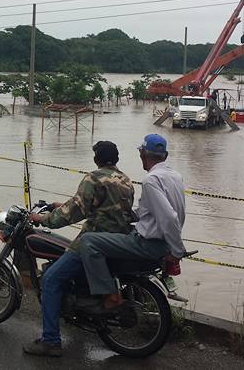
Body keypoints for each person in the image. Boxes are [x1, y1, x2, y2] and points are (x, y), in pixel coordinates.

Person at [22, 141, 136, 358]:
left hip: (93, 241)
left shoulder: (93, 178)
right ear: (116, 159)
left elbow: (72, 213)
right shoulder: (126, 181)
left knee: (50, 280)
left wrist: (42, 219)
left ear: (96, 159)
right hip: (119, 241)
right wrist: (60, 204)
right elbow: (97, 206)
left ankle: (51, 341)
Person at [77, 134, 186, 312]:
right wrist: (119, 213)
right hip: (161, 241)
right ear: (165, 156)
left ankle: (110, 295)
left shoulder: (150, 180)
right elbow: (147, 213)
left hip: (149, 244)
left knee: (88, 241)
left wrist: (177, 251)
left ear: (143, 154)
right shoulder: (175, 176)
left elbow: (169, 217)